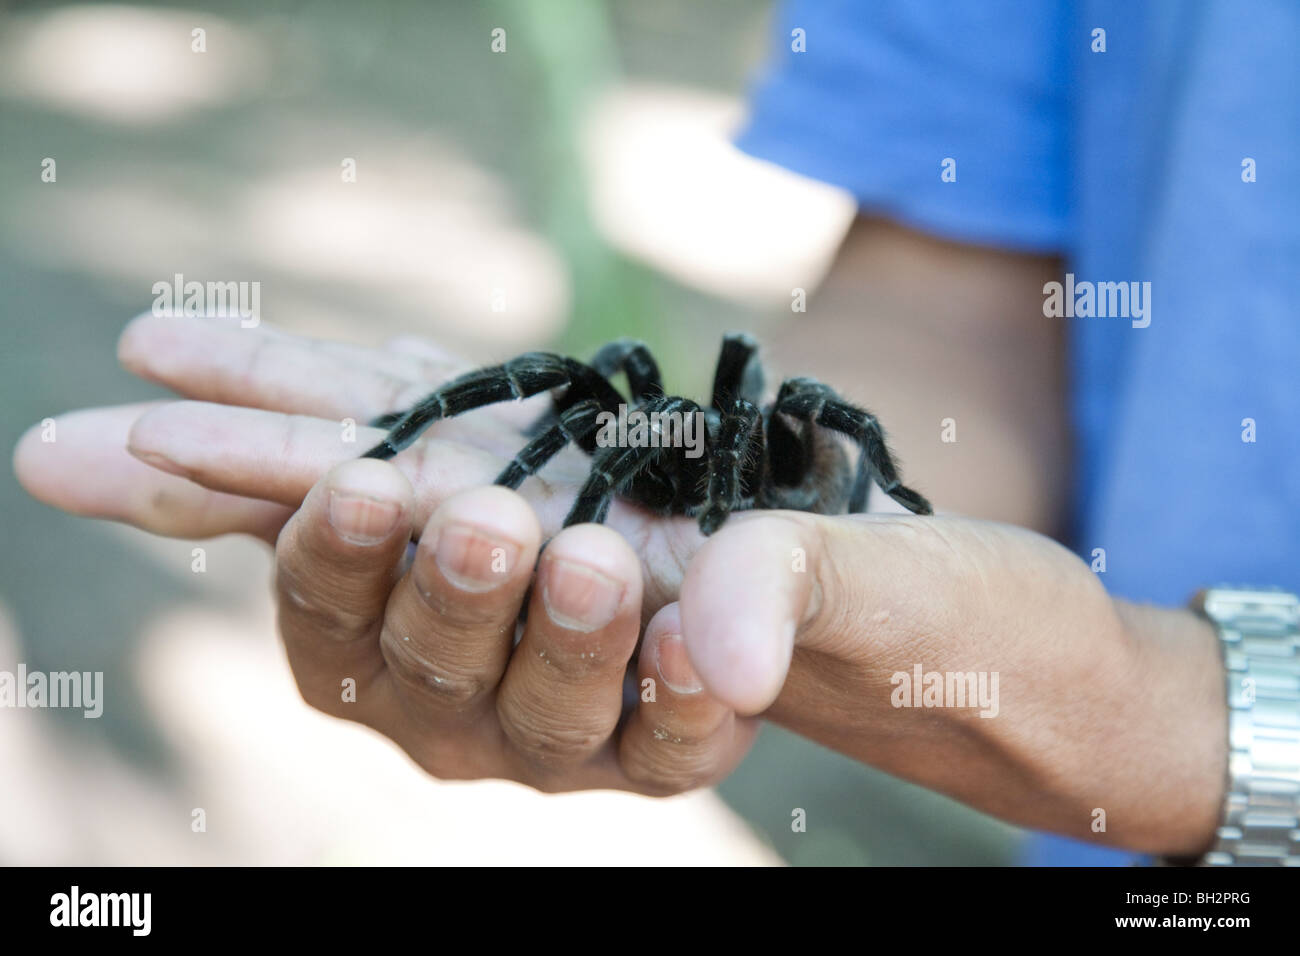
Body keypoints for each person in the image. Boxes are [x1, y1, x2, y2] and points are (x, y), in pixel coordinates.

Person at [13, 0, 1299, 864]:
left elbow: (839, 423)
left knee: (778, 415)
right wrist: (539, 506)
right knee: (601, 375)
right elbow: (949, 308)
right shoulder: (648, 417)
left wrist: (1173, 721)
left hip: (801, 491)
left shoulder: (767, 439)